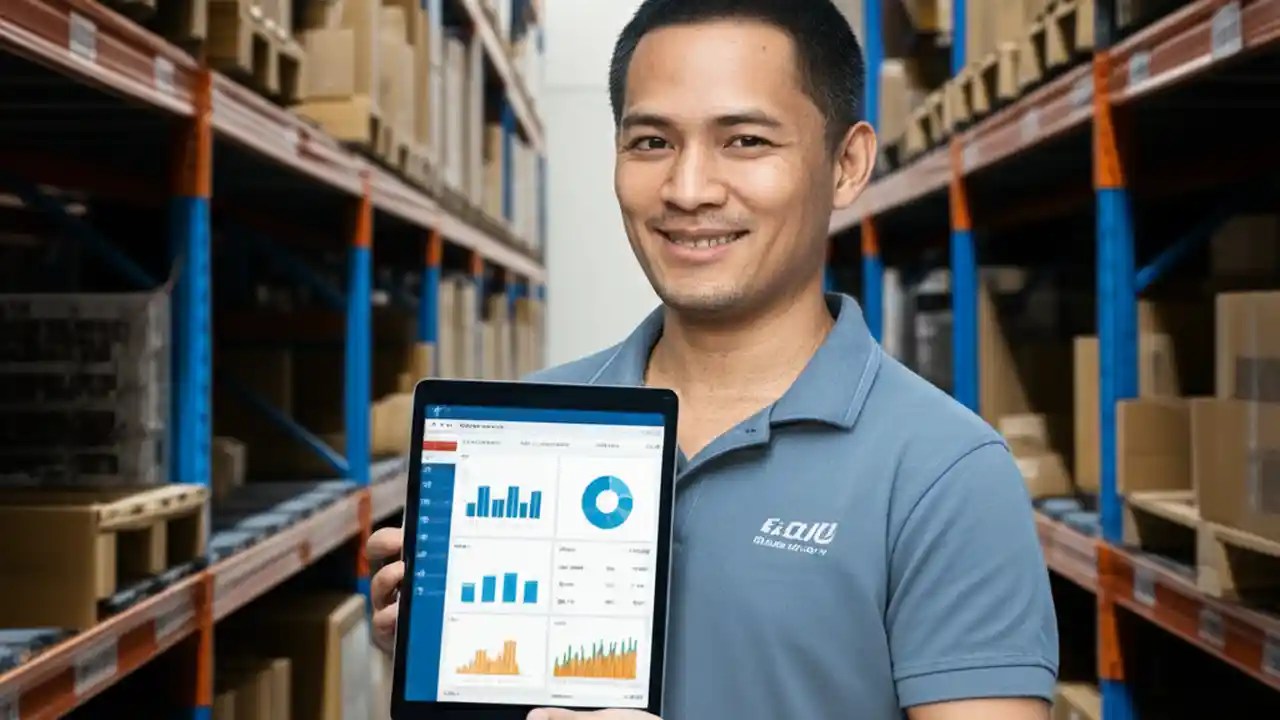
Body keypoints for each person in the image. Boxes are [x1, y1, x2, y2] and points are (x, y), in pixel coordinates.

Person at [366, 0, 1060, 718]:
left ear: (847, 164)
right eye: (651, 143)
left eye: (746, 141)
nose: (688, 190)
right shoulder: (528, 431)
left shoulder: (943, 472)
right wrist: (446, 666)